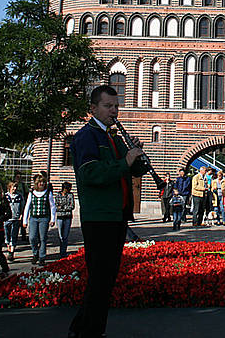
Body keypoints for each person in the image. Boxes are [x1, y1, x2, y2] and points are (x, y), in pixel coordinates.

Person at [68, 85, 148, 338]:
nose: (114, 111)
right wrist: (126, 160)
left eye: (116, 106)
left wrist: (137, 155)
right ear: (93, 108)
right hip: (99, 216)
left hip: (116, 216)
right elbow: (91, 174)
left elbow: (135, 170)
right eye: (108, 106)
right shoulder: (86, 136)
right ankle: (87, 331)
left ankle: (85, 329)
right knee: (100, 279)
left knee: (105, 279)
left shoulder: (113, 137)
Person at [22, 173, 57, 265]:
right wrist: (24, 220)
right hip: (33, 218)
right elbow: (27, 206)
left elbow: (52, 206)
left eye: (43, 182)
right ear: (36, 183)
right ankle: (35, 253)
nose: (42, 184)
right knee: (32, 237)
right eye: (40, 182)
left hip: (44, 218)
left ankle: (42, 257)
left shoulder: (48, 193)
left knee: (42, 238)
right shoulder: (32, 193)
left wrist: (53, 219)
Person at [55, 181, 75, 257]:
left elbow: (72, 206)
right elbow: (56, 206)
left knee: (65, 235)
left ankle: (63, 252)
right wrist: (65, 207)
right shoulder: (58, 195)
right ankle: (61, 250)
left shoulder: (70, 195)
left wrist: (62, 207)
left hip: (67, 217)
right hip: (60, 217)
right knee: (60, 235)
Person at [4, 181, 23, 261]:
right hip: (7, 219)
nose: (14, 189)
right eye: (13, 187)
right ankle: (8, 247)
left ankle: (11, 252)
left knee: (14, 235)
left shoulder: (19, 196)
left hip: (16, 218)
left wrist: (21, 215)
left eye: (15, 187)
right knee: (7, 235)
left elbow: (22, 206)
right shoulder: (5, 196)